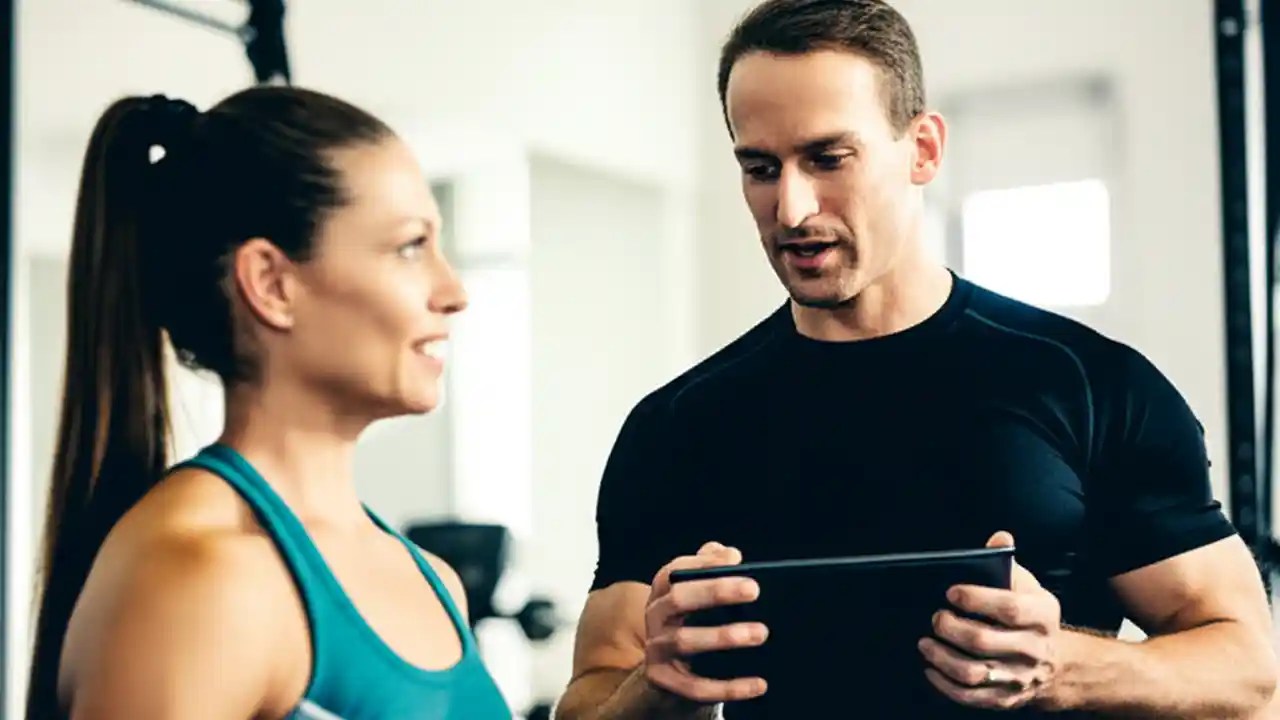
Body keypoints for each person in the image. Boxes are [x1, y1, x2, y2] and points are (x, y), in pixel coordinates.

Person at [555, 0, 1278, 718]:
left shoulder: (1090, 385)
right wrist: (656, 688)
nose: (793, 209)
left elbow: (1252, 676)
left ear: (923, 149)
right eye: (760, 167)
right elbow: (589, 694)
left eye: (827, 158)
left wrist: (1065, 666)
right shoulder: (677, 426)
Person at [26, 86, 513, 720]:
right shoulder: (204, 579)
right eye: (409, 247)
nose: (453, 292)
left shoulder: (433, 581)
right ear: (272, 285)